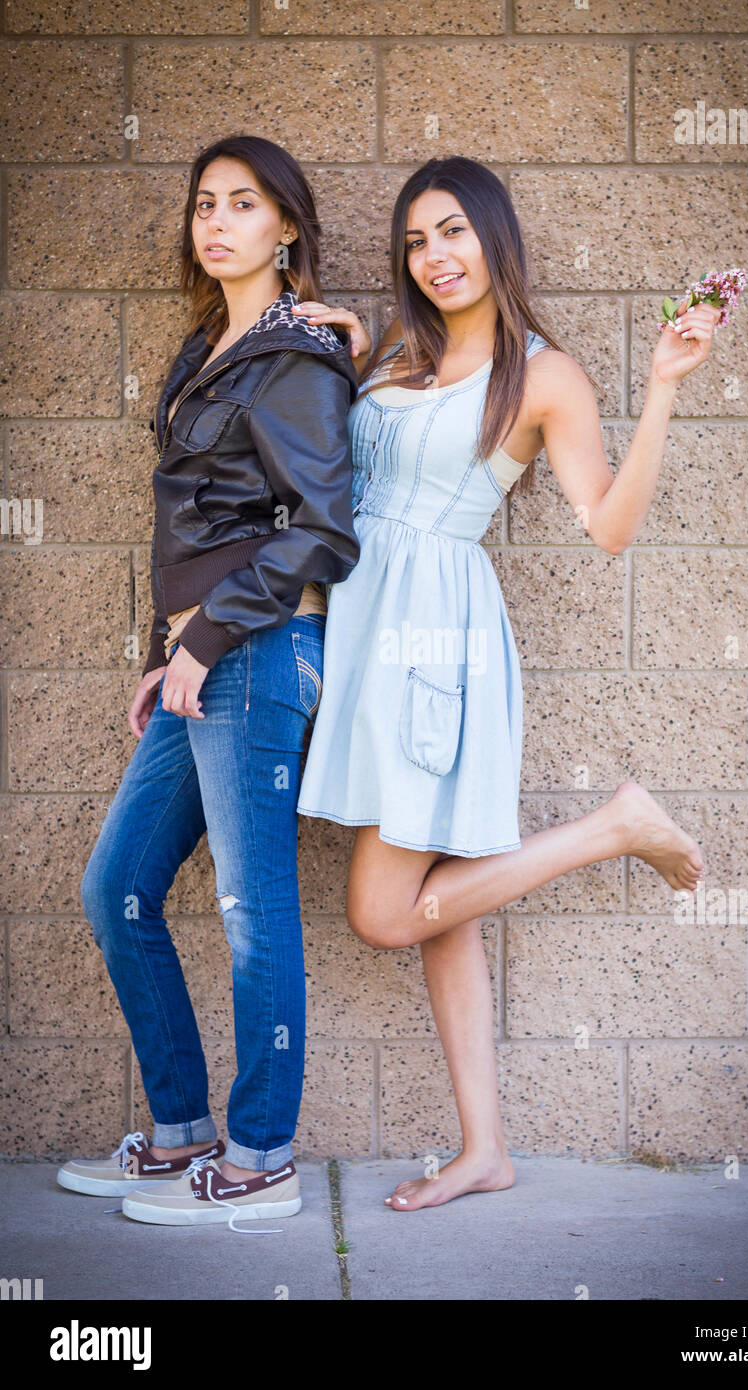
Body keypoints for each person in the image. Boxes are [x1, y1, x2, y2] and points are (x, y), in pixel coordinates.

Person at [293, 155, 716, 1212]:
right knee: (445, 913)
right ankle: (485, 1148)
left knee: (386, 913)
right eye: (414, 241)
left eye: (450, 232)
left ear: (492, 234)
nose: (433, 257)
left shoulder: (543, 375)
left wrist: (660, 388)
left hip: (432, 643)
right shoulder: (399, 348)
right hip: (361, 628)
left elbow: (607, 527)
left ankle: (613, 825)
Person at [59, 134, 360, 1230]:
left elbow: (320, 532)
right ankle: (180, 1130)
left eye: (243, 204)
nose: (217, 221)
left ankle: (261, 1158)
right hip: (197, 666)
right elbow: (190, 523)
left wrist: (204, 639)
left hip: (256, 655)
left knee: (250, 912)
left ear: (287, 227)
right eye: (203, 205)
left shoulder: (294, 356)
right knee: (117, 889)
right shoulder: (208, 349)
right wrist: (161, 650)